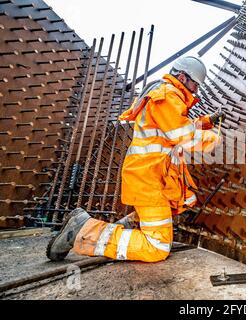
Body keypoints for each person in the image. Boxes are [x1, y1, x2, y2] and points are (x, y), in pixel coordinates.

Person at [47, 56, 225, 263]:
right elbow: (182, 136)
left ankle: (113, 226)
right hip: (149, 179)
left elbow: (173, 127)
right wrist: (214, 138)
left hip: (152, 176)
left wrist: (205, 123)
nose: (196, 91)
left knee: (155, 216)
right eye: (195, 84)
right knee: (156, 247)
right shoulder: (167, 95)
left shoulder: (168, 97)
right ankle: (85, 230)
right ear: (183, 77)